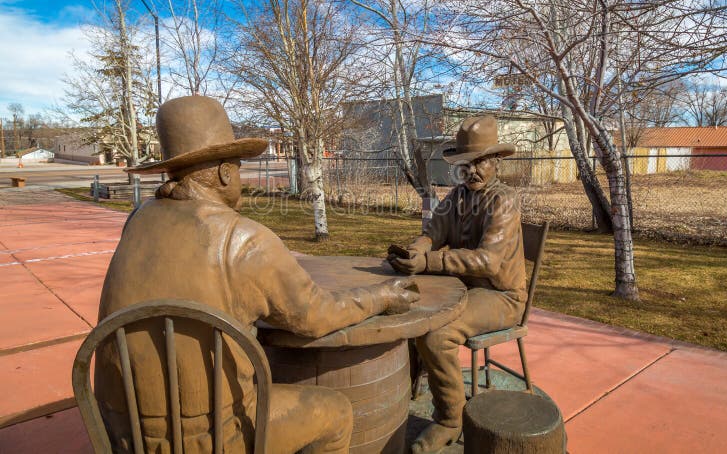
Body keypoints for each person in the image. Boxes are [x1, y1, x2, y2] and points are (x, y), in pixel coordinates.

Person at [96, 95, 418, 454]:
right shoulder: (244, 239)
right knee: (336, 412)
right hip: (214, 439)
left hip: (121, 435)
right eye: (237, 165)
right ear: (224, 173)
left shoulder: (137, 220)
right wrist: (382, 296)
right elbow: (315, 315)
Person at [388, 115, 526, 454]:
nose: (472, 170)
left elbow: (488, 262)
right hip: (464, 288)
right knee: (405, 307)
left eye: (480, 161)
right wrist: (415, 252)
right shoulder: (457, 196)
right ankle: (401, 393)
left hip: (501, 295)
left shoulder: (504, 201)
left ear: (496, 162)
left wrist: (430, 262)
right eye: (466, 163)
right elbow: (432, 233)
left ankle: (450, 419)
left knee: (437, 334)